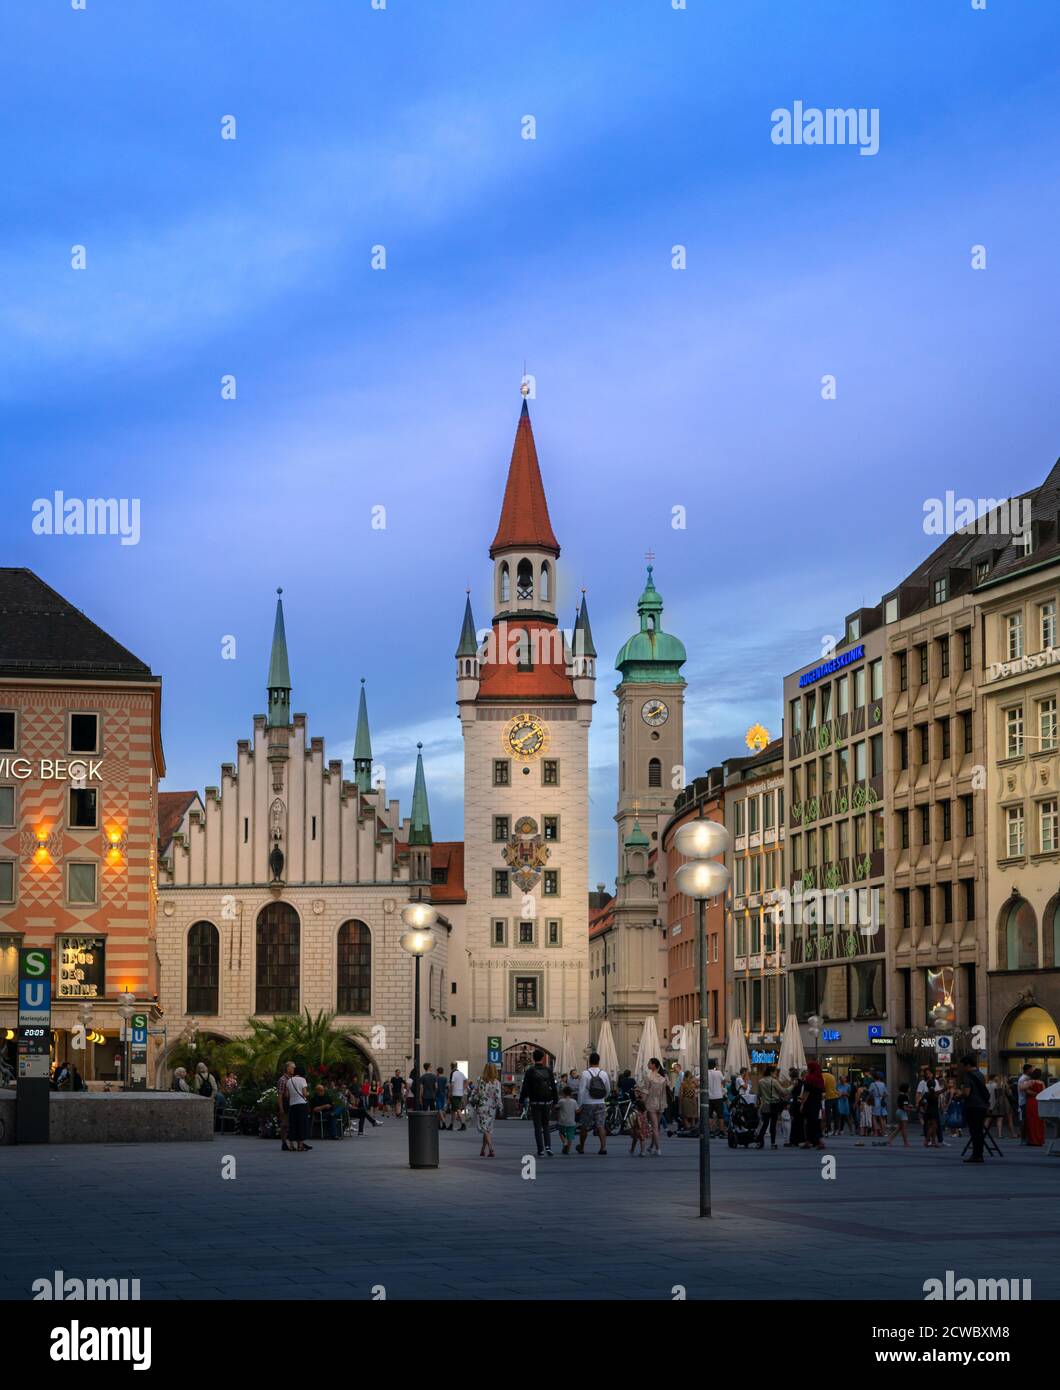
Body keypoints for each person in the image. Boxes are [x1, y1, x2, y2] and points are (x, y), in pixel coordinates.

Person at [520, 1048, 558, 1157]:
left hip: (535, 1102)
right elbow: (554, 1087)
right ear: (542, 1058)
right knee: (546, 1125)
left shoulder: (530, 1071)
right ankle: (548, 1147)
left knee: (537, 1126)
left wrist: (521, 1101)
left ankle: (540, 1150)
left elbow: (525, 1087)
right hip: (547, 1102)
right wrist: (555, 1101)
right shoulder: (548, 1070)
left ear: (533, 1058)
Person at [576, 1051, 610, 1154]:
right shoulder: (603, 1073)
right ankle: (603, 1148)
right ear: (599, 1061)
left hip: (587, 1103)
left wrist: (579, 1105)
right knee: (600, 1125)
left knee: (584, 1126)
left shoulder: (585, 1073)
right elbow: (608, 1089)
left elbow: (581, 1090)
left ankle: (581, 1147)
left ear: (589, 1061)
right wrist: (603, 1098)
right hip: (600, 1103)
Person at [959, 1054, 990, 1163]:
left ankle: (976, 1155)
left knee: (974, 1131)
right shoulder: (980, 1074)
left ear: (967, 1065)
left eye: (962, 1066)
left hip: (973, 1106)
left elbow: (966, 1093)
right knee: (979, 1131)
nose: (961, 1069)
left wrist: (959, 1095)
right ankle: (979, 1154)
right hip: (982, 1106)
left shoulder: (968, 1076)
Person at [638, 1058, 668, 1156]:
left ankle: (658, 1149)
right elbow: (664, 1093)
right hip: (661, 1104)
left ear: (654, 1065)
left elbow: (646, 1091)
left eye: (649, 1063)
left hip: (651, 1103)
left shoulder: (649, 1076)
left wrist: (642, 1102)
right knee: (657, 1126)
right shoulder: (663, 1078)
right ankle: (651, 1147)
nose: (648, 1064)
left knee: (654, 1127)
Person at [755, 1065, 789, 1149]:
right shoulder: (774, 1081)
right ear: (771, 1072)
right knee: (773, 1125)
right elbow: (784, 1091)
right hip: (774, 1104)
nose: (776, 1074)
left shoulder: (760, 1081)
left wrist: (758, 1103)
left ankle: (759, 1141)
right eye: (775, 1072)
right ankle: (773, 1143)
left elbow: (759, 1094)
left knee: (765, 1124)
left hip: (765, 1105)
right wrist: (793, 1086)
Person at [475, 1063, 502, 1157]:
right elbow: (498, 1097)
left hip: (482, 1106)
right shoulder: (497, 1082)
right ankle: (482, 1150)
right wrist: (501, 1107)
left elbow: (477, 1093)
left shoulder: (480, 1080)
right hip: (492, 1108)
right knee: (488, 1129)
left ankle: (491, 1149)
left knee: (484, 1128)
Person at [800, 1059, 826, 1149]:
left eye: (808, 1068)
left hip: (809, 1103)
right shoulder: (820, 1080)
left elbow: (806, 1093)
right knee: (815, 1122)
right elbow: (822, 1093)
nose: (807, 1069)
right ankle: (813, 1141)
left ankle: (815, 1141)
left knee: (810, 1123)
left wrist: (802, 1104)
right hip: (817, 1103)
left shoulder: (809, 1078)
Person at [287, 1066, 311, 1151]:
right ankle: (300, 1146)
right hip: (301, 1105)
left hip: (292, 1105)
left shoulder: (289, 1081)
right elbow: (304, 1093)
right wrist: (308, 1093)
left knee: (293, 1124)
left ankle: (291, 1145)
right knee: (301, 1125)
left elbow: (287, 1095)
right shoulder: (303, 1080)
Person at [918, 1070, 942, 1148]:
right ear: (934, 1085)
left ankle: (932, 1141)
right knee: (933, 1126)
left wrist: (922, 1106)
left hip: (928, 1111)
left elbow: (921, 1102)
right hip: (934, 1112)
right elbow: (943, 1090)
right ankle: (928, 1140)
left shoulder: (926, 1094)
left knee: (930, 1126)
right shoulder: (935, 1093)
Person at [1023, 1068, 1045, 1147]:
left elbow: (1023, 1089)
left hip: (1031, 1102)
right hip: (1038, 1102)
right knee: (1039, 1121)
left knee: (1031, 1121)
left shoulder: (1030, 1082)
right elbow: (1043, 1092)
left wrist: (1031, 1092)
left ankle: (1032, 1140)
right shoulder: (1041, 1083)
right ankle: (1039, 1140)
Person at [705, 1060, 727, 1139]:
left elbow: (696, 1080)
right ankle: (721, 1132)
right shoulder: (719, 1072)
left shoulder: (705, 1072)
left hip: (709, 1097)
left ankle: (711, 1132)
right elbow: (724, 1080)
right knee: (720, 1115)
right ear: (715, 1065)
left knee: (709, 1115)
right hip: (718, 1096)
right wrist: (720, 1085)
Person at [277, 1061, 295, 1149]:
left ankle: (291, 1143)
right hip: (285, 1103)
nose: (294, 1069)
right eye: (292, 1067)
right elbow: (280, 1094)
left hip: (292, 1103)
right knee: (285, 1124)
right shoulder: (283, 1080)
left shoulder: (292, 1079)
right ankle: (284, 1143)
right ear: (288, 1069)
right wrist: (281, 1107)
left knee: (291, 1124)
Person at [887, 1083, 911, 1147]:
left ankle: (890, 1139)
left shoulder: (900, 1095)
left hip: (898, 1111)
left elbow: (901, 1104)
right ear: (906, 1089)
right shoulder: (905, 1096)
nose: (909, 1089)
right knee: (904, 1129)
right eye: (909, 1088)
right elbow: (905, 1107)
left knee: (899, 1128)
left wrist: (908, 1106)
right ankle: (906, 1142)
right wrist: (912, 1109)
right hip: (903, 1113)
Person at [556, 1085, 578, 1155]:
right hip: (572, 1122)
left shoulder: (561, 1101)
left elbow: (556, 1107)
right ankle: (567, 1150)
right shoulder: (574, 1101)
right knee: (570, 1136)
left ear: (563, 1093)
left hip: (562, 1121)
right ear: (571, 1093)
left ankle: (564, 1143)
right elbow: (577, 1111)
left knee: (561, 1133)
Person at [787, 1068, 805, 1147]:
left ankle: (793, 1140)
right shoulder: (801, 1082)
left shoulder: (795, 1082)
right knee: (800, 1122)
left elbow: (790, 1093)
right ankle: (800, 1139)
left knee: (794, 1122)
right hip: (800, 1102)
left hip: (795, 1103)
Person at [447, 1062, 468, 1131]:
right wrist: (463, 1089)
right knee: (453, 1110)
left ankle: (463, 1124)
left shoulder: (453, 1073)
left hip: (455, 1093)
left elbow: (452, 1084)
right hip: (460, 1093)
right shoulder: (460, 1073)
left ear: (451, 1066)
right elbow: (466, 1081)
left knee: (457, 1109)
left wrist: (450, 1093)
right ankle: (451, 1124)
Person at [869, 1071, 889, 1142]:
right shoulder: (883, 1084)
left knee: (874, 1117)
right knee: (882, 1117)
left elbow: (870, 1092)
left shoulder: (873, 1084)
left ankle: (876, 1132)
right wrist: (882, 1096)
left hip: (875, 1100)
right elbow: (886, 1094)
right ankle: (883, 1132)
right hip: (881, 1101)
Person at [1018, 1064, 1035, 1143]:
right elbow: (1025, 1090)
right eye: (1031, 1069)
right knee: (1024, 1120)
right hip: (1023, 1102)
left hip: (1026, 1102)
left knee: (1027, 1120)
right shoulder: (1023, 1079)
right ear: (1027, 1070)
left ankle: (1027, 1138)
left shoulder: (1027, 1078)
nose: (1032, 1071)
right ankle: (1023, 1138)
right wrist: (1036, 1093)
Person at [822, 1067, 838, 1135]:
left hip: (828, 1097)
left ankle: (828, 1130)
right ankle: (836, 1130)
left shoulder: (822, 1076)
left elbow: (823, 1086)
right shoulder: (832, 1076)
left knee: (828, 1115)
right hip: (835, 1096)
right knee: (835, 1115)